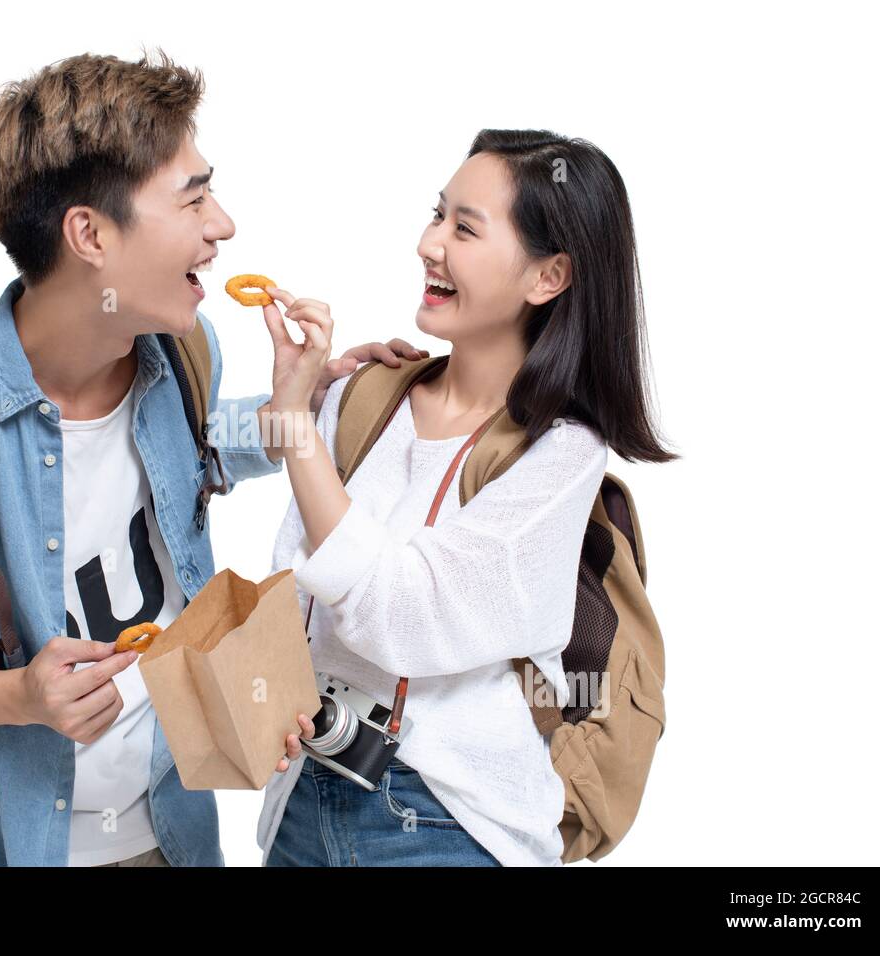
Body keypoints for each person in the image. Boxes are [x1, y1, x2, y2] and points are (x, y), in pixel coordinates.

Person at [0, 51, 419, 867]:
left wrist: (305, 407)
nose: (223, 224)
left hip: (171, 837)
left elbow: (194, 451)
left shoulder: (181, 351)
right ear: (89, 234)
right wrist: (17, 698)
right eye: (193, 195)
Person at [255, 129, 677, 866]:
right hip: (302, 795)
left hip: (445, 823)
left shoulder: (559, 452)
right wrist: (307, 402)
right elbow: (293, 579)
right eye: (436, 214)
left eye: (464, 227)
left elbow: (404, 617)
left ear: (548, 277)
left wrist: (296, 429)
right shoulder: (362, 394)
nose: (429, 243)